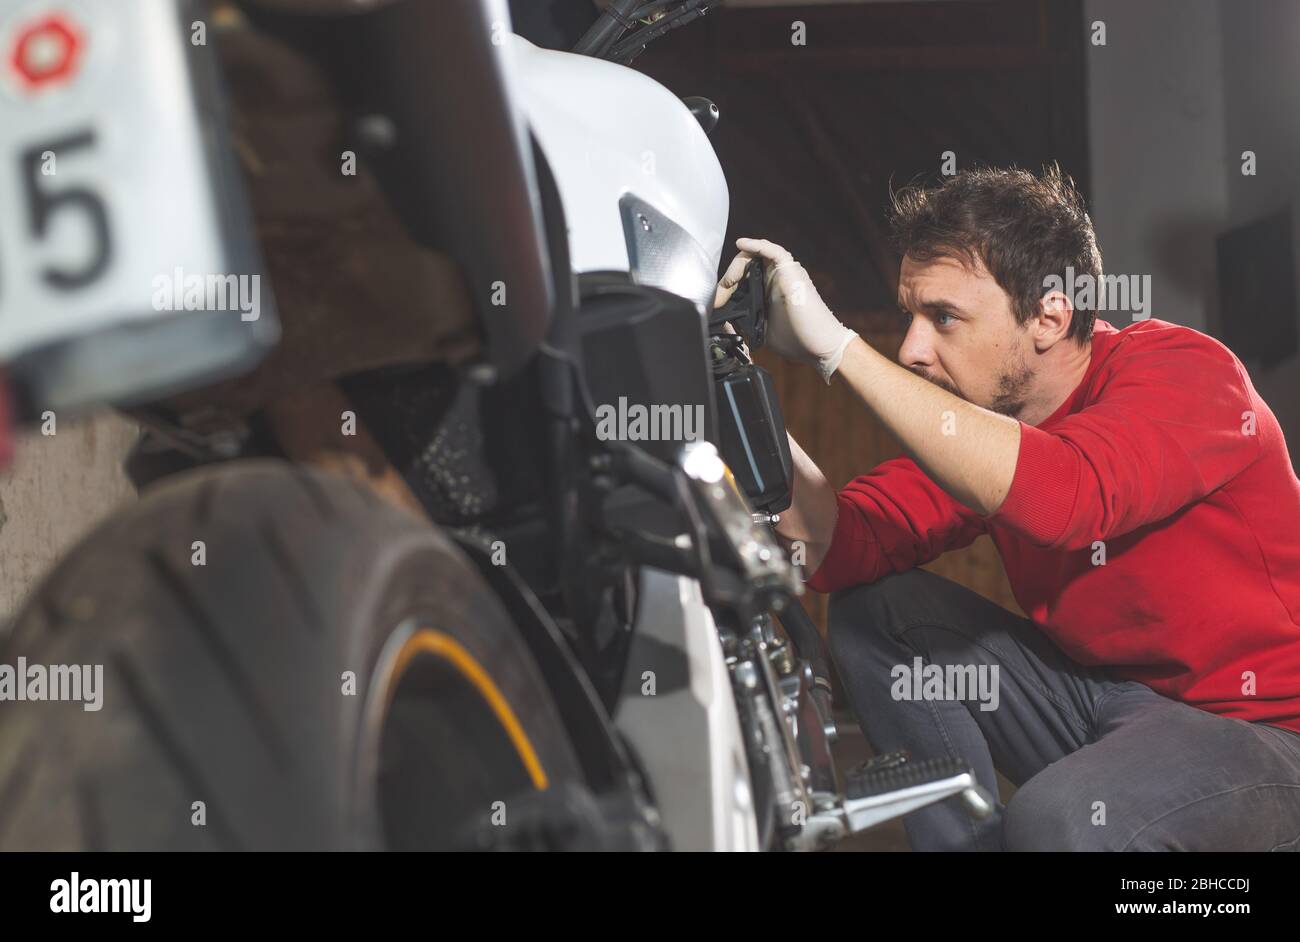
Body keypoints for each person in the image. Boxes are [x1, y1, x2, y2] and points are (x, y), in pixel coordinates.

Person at [714, 165, 1300, 851]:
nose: (911, 347)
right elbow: (840, 547)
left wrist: (840, 348)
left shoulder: (1186, 372)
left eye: (943, 317)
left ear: (1049, 315)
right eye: (910, 314)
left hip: (1266, 734)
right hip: (1106, 706)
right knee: (879, 611)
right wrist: (729, 380)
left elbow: (1067, 498)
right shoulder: (990, 432)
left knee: (1062, 820)